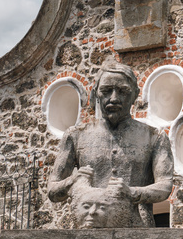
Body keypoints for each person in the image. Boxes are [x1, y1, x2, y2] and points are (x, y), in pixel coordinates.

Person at [47, 61, 173, 228]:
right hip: (88, 227)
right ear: (96, 93)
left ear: (135, 95)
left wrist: (132, 192)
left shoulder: (155, 137)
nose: (114, 98)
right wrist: (72, 181)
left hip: (137, 227)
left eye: (123, 91)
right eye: (106, 91)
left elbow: (165, 186)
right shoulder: (75, 135)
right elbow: (52, 190)